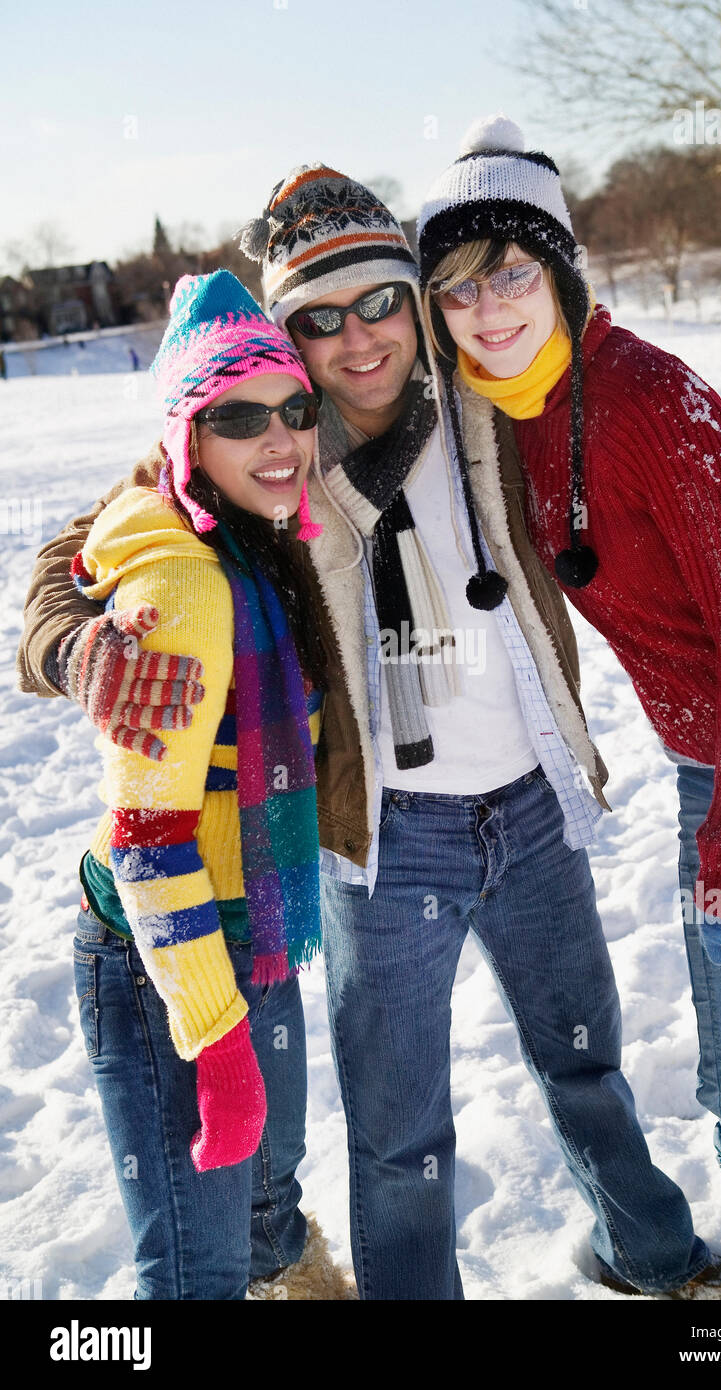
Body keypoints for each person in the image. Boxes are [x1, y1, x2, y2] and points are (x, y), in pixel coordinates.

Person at [17, 171, 721, 1302]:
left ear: (414, 301)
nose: (359, 339)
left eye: (381, 302)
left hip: (530, 809)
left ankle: (648, 1254)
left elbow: (608, 422)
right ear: (290, 340)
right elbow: (86, 545)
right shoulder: (271, 440)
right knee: (401, 1131)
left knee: (587, 1064)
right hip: (384, 843)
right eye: (321, 319)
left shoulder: (479, 390)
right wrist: (70, 641)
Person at [417, 115, 721, 1299]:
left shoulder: (654, 394)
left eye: (512, 271)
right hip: (712, 764)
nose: (488, 307)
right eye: (457, 286)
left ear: (561, 270)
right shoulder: (485, 416)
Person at [38, 269, 352, 1301]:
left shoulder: (257, 533)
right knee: (194, 1269)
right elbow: (149, 839)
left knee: (264, 1200)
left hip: (245, 924)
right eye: (239, 417)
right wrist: (217, 1040)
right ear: (187, 439)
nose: (279, 437)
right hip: (160, 958)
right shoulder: (183, 583)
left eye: (293, 408)